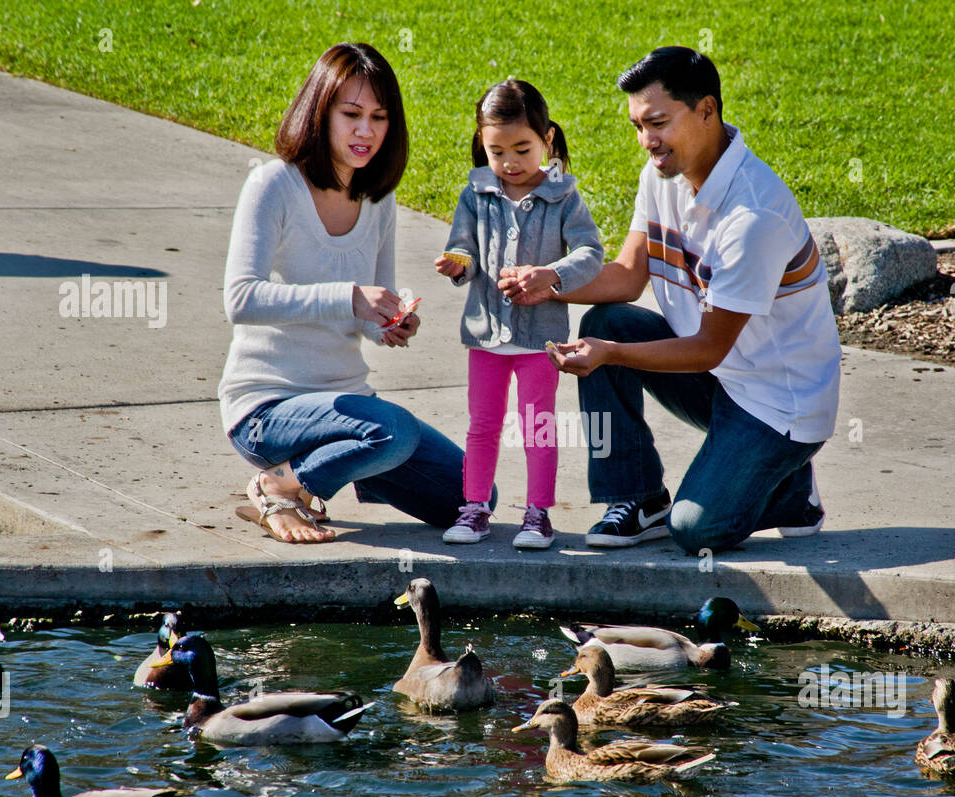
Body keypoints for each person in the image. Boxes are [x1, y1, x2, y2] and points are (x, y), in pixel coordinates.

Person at [523, 47, 841, 554]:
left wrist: (610, 354)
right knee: (608, 321)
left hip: (780, 404)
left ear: (707, 111)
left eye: (658, 123)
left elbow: (708, 348)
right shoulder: (660, 177)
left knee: (697, 529)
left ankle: (788, 488)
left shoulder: (752, 216)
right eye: (637, 126)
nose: (647, 141)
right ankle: (638, 499)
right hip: (721, 378)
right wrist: (548, 281)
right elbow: (627, 277)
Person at [218, 43, 494, 543]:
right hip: (266, 408)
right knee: (395, 429)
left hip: (347, 403)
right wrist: (349, 297)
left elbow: (368, 309)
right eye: (351, 114)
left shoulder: (378, 197)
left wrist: (388, 320)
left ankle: (320, 473)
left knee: (476, 498)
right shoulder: (273, 184)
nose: (365, 131)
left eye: (379, 117)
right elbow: (241, 299)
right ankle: (277, 486)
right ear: (320, 113)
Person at [434, 79, 603, 549]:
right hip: (485, 338)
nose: (510, 162)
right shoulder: (475, 195)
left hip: (539, 339)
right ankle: (474, 509)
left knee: (537, 425)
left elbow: (591, 252)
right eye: (497, 151)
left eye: (523, 148)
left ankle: (537, 514)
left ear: (548, 139)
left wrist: (551, 273)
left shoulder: (564, 197)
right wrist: (459, 264)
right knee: (482, 425)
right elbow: (463, 246)